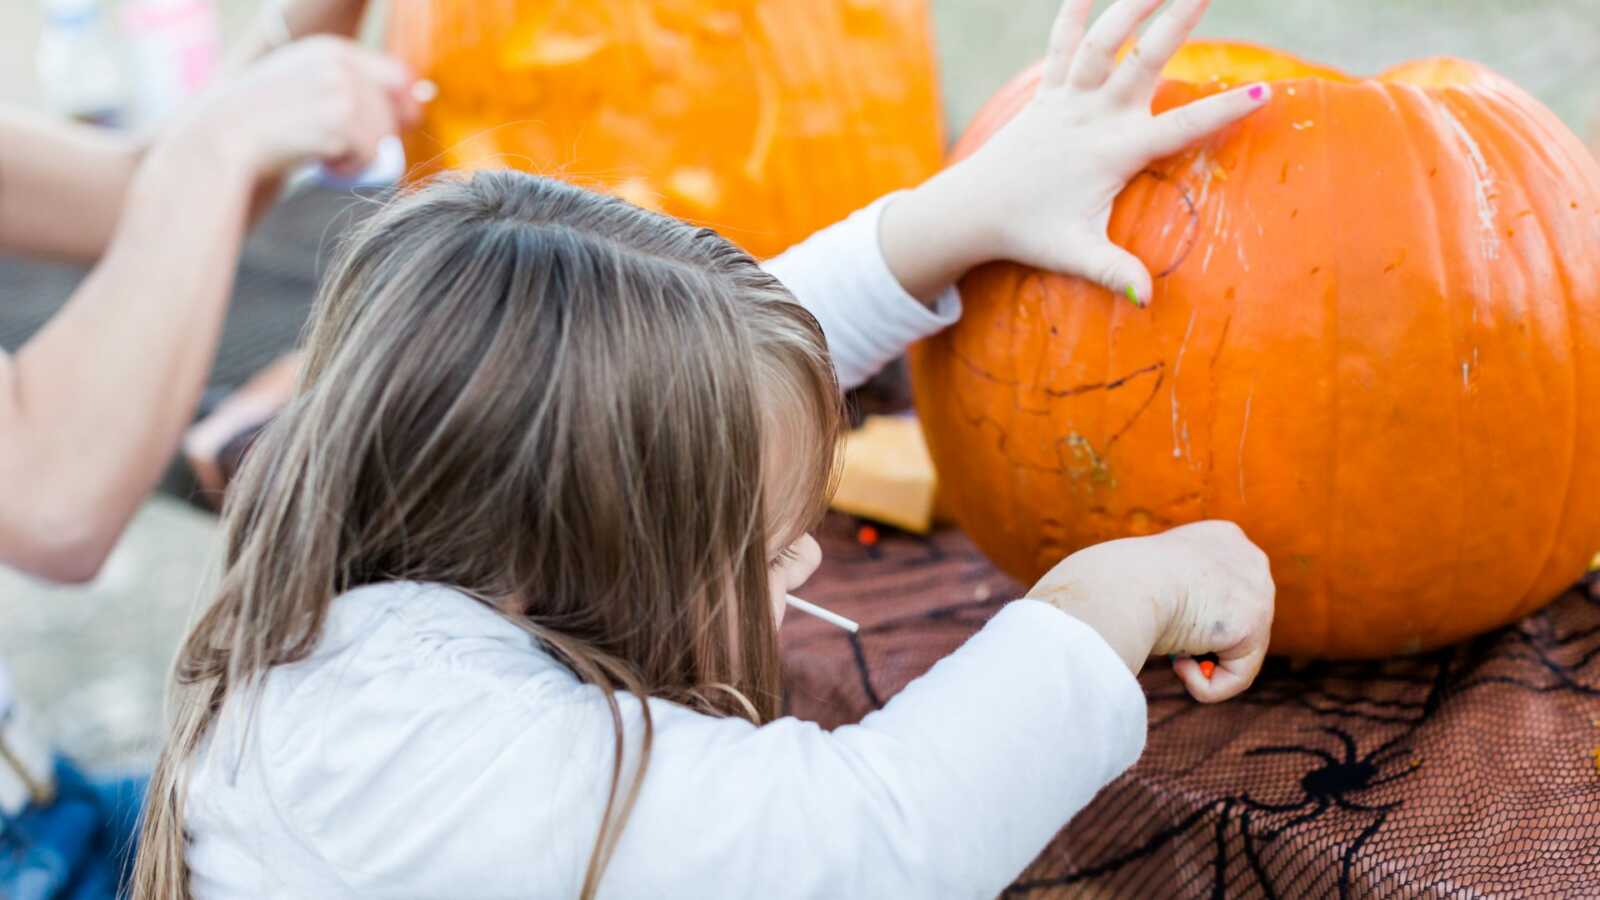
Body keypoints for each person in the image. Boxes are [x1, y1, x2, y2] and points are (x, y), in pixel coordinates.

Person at [132, 0, 1277, 897]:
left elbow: (655, 399)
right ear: (588, 536)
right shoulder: (428, 755)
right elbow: (883, 841)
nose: (808, 568)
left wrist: (963, 212)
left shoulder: (384, 599)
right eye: (769, 545)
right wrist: (1106, 600)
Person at [0, 32, 420, 897]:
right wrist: (223, 139)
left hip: (39, 797)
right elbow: (48, 501)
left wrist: (305, 41)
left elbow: (138, 185)